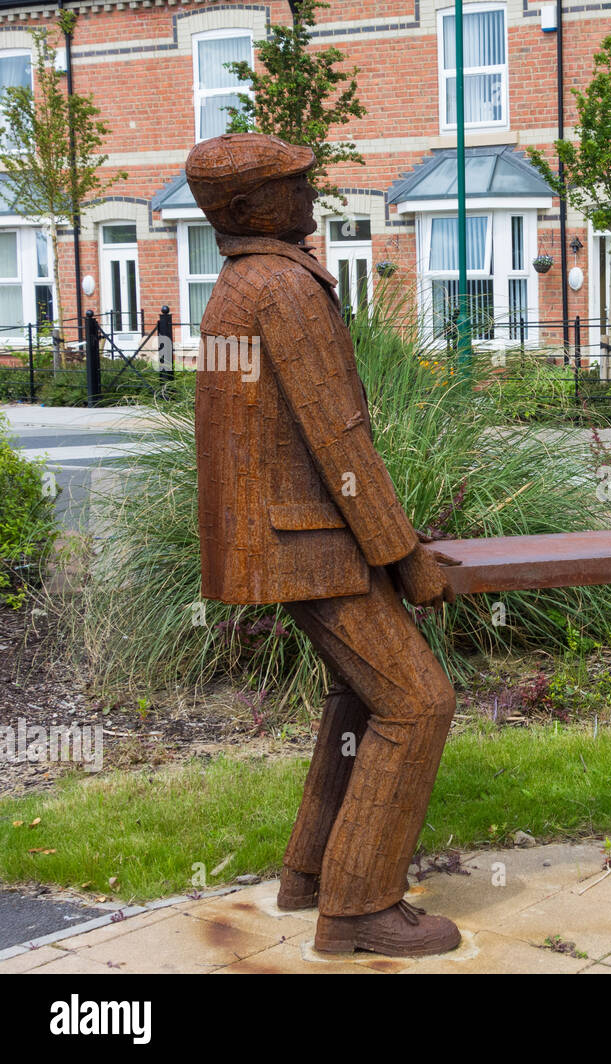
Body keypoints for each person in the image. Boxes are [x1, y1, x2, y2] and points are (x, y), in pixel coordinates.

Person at [187, 132, 463, 954]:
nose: (312, 193)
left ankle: (311, 876)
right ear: (243, 211)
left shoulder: (241, 282)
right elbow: (337, 438)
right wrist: (403, 553)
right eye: (292, 184)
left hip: (286, 533)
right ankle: (360, 908)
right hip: (307, 537)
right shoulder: (280, 287)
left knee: (362, 690)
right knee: (418, 704)